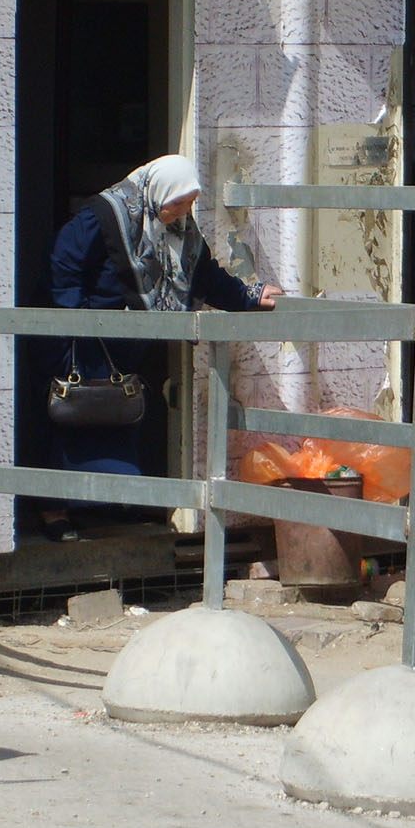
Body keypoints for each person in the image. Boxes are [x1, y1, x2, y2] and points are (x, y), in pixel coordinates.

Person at [39, 154, 281, 541]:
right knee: (76, 418)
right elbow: (65, 262)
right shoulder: (105, 214)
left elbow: (206, 275)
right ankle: (56, 512)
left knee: (117, 421)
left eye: (189, 203)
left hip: (129, 344)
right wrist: (77, 319)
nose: (184, 212)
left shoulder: (180, 228)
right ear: (157, 192)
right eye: (179, 202)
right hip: (87, 342)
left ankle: (106, 508)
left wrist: (249, 296)